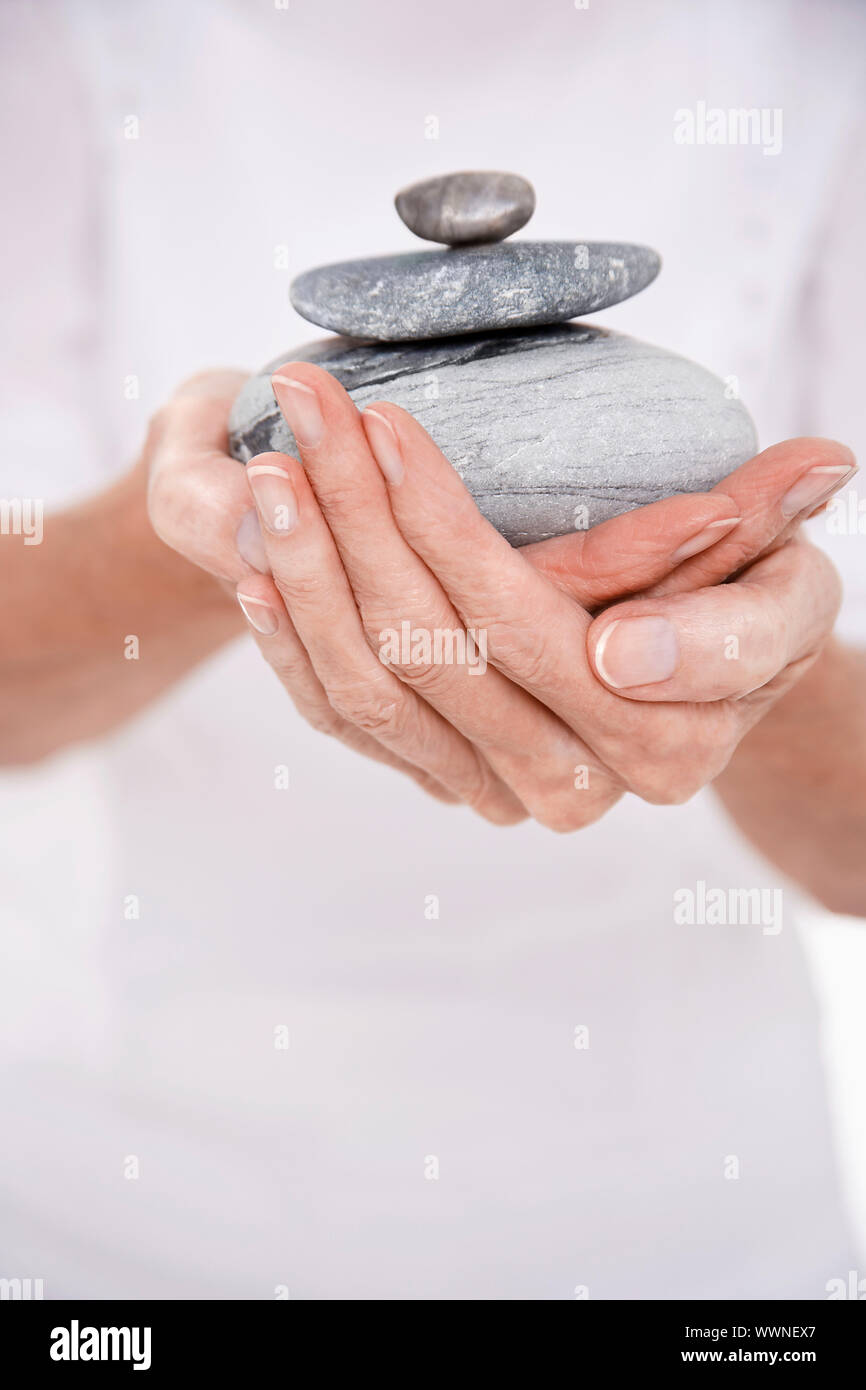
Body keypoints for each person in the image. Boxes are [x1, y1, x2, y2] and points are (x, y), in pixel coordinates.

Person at [2, 0, 865, 1298]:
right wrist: (200, 533)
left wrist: (754, 676)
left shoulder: (818, 45)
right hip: (124, 1211)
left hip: (682, 1233)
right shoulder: (50, 35)